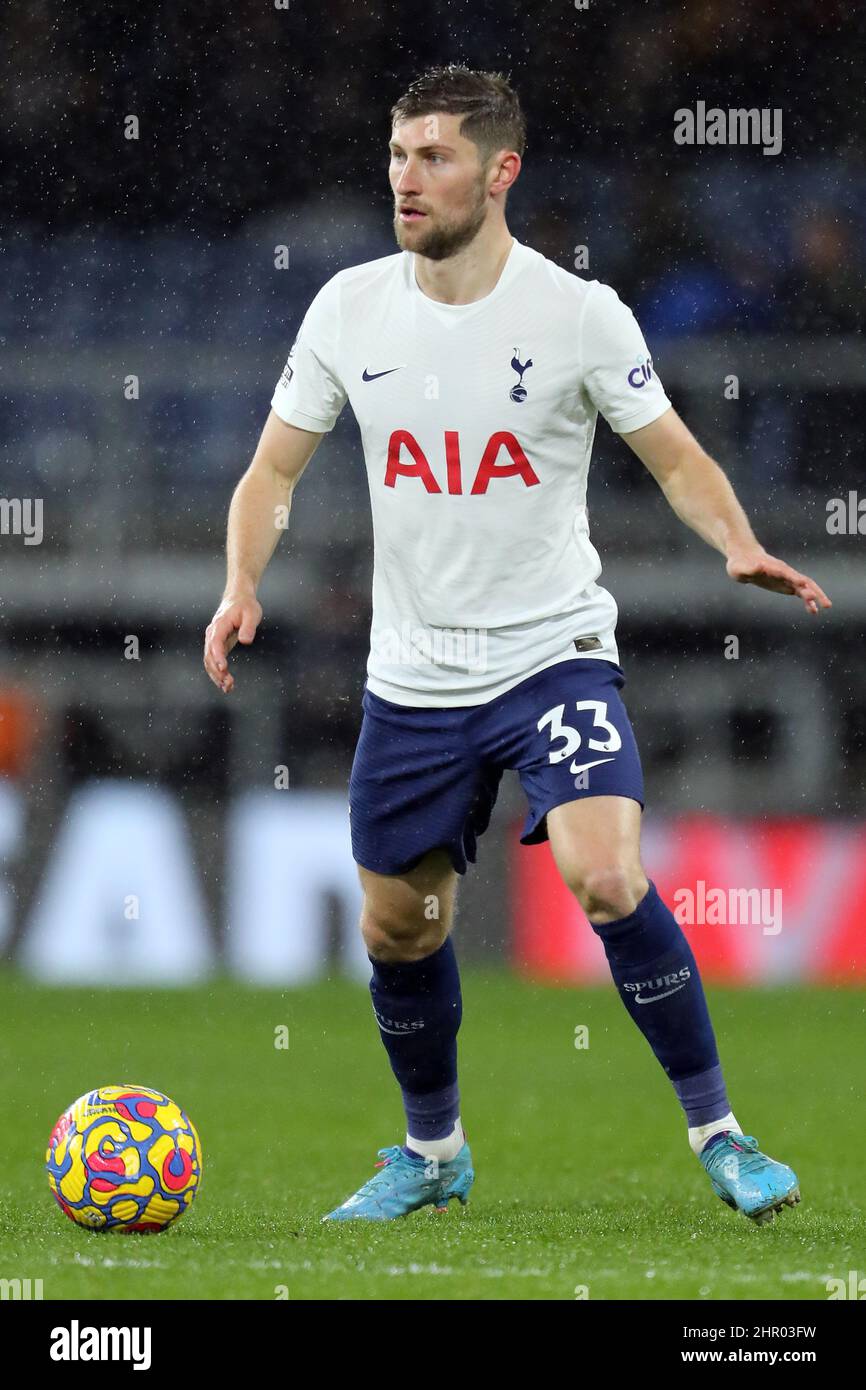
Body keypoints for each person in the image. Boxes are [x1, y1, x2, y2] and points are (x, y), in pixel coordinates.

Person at [204, 65, 831, 1225]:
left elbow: (677, 457)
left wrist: (734, 543)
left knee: (604, 873)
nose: (406, 177)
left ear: (500, 173)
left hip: (551, 654)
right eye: (397, 155)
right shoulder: (346, 307)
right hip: (413, 675)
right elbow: (270, 471)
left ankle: (721, 1134)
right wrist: (242, 581)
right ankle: (432, 1151)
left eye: (434, 156)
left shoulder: (577, 315)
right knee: (399, 925)